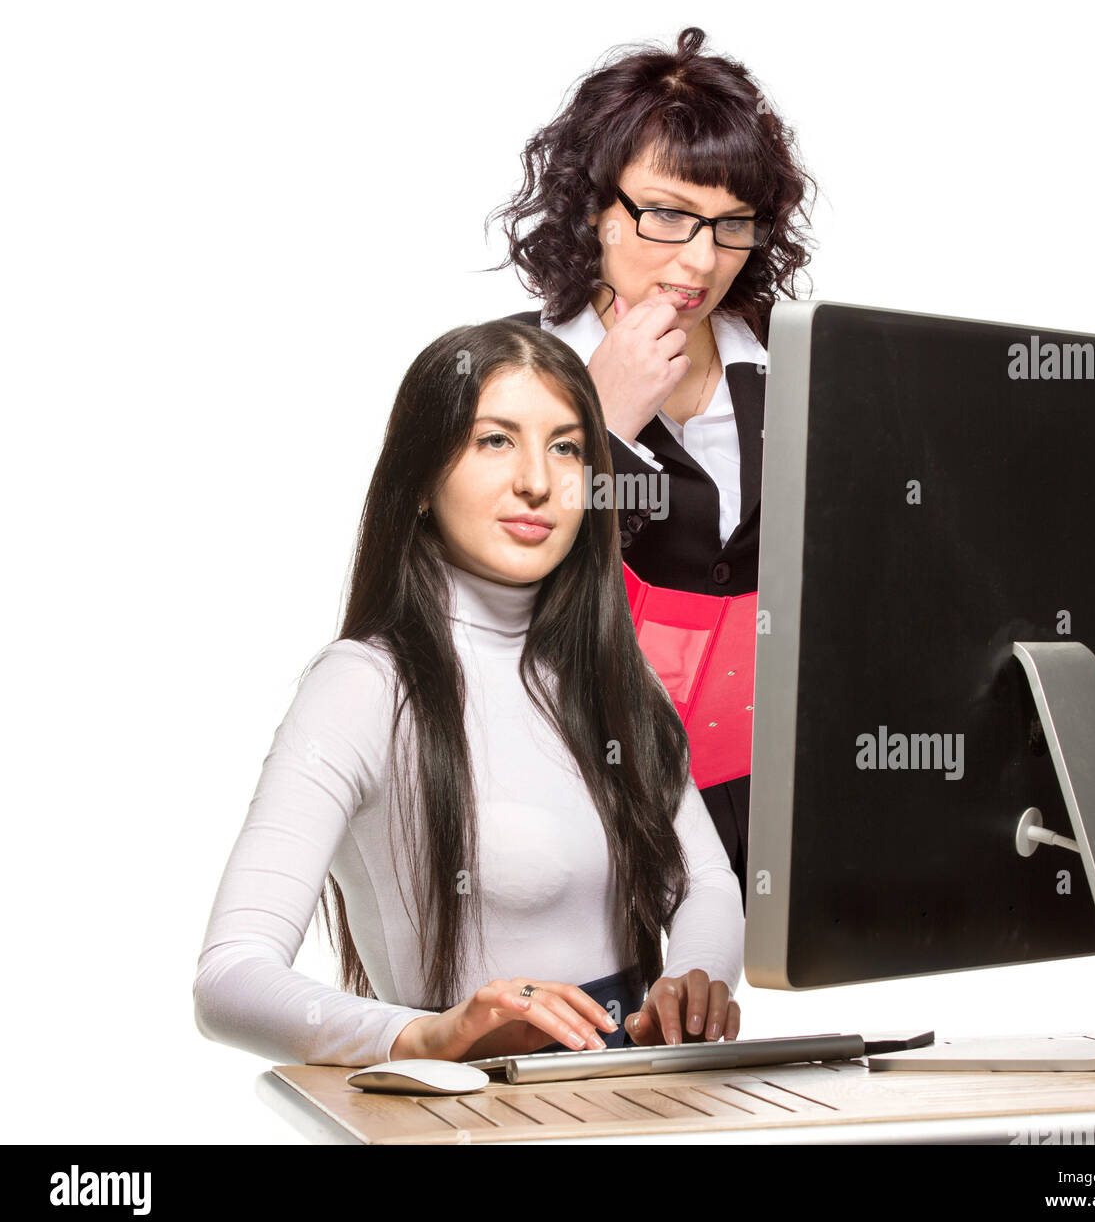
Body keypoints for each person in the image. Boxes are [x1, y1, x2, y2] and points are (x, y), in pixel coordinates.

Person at [193, 321, 744, 1068]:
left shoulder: (616, 671)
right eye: (495, 441)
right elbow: (229, 978)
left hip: (635, 1104)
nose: (537, 482)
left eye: (567, 447)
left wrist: (689, 981)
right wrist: (423, 1036)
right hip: (471, 1118)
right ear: (420, 478)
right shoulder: (364, 687)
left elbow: (706, 880)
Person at [488, 27, 817, 903]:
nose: (701, 260)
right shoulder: (506, 376)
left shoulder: (798, 369)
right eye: (667, 214)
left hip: (769, 809)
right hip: (581, 803)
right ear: (595, 206)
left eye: (732, 223)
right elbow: (496, 599)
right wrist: (604, 419)